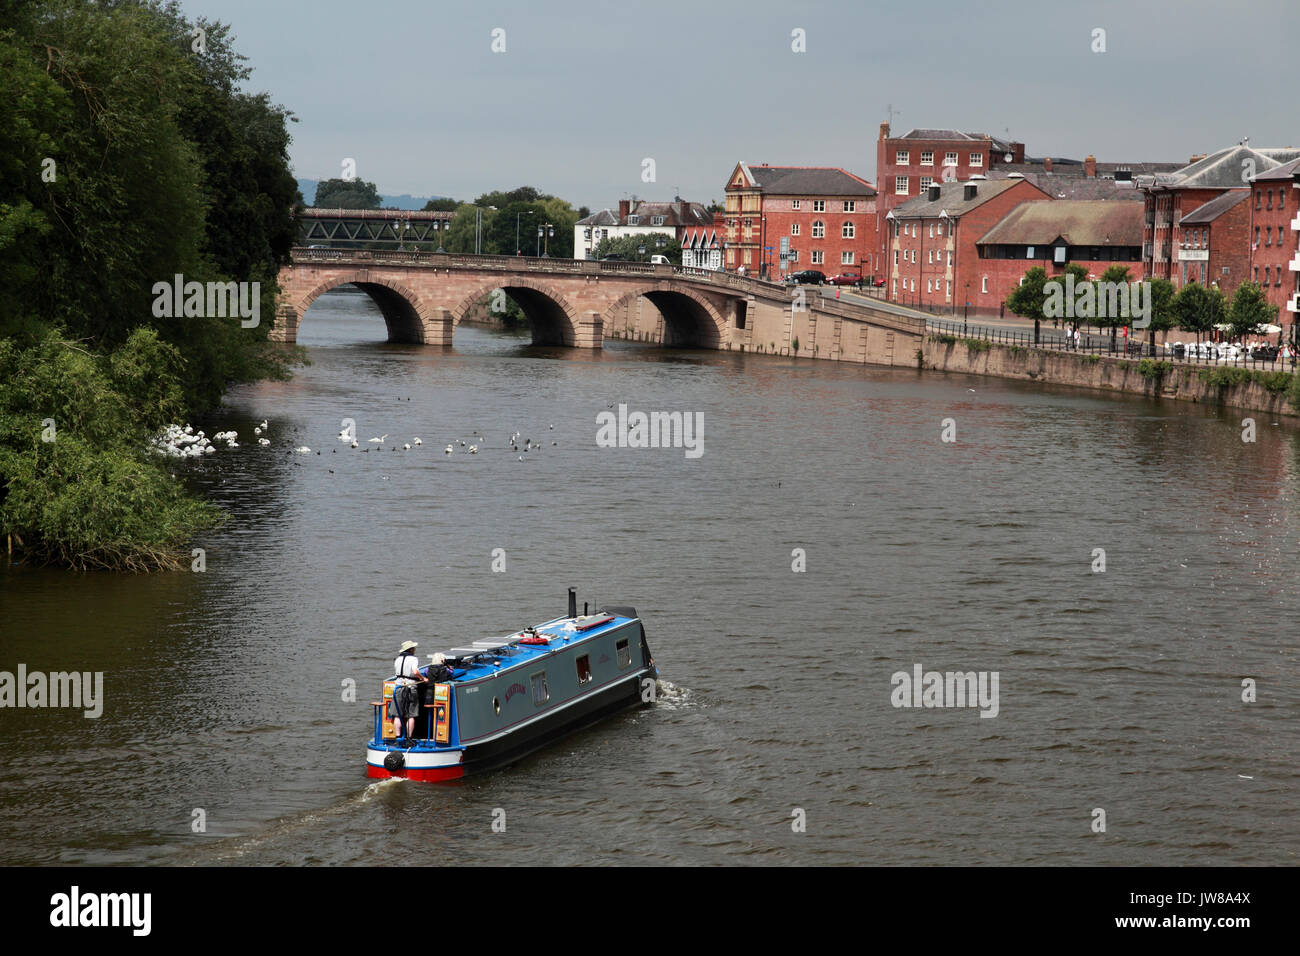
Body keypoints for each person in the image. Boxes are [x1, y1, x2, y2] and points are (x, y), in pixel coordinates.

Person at [390, 640, 427, 743]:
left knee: (397, 714)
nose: (414, 650)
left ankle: (398, 737)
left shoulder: (397, 659)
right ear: (410, 649)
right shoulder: (413, 659)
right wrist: (423, 679)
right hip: (410, 688)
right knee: (411, 714)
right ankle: (409, 738)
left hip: (398, 688)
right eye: (413, 648)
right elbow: (415, 671)